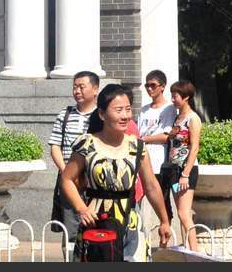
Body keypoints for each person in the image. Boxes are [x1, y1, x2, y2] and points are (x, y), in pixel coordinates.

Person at [59, 83, 171, 261]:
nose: (125, 115)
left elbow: (151, 187)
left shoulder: (137, 146)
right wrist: (81, 208)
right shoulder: (86, 144)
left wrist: (164, 221)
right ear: (102, 114)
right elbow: (66, 179)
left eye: (128, 109)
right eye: (119, 110)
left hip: (130, 223)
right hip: (96, 223)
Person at [47, 70, 99, 239]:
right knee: (71, 231)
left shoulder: (102, 116)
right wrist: (66, 172)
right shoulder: (65, 114)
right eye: (75, 87)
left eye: (81, 87)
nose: (77, 91)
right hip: (70, 182)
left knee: (95, 228)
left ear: (95, 89)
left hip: (95, 182)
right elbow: (55, 146)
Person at [132, 70, 177, 259]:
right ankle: (144, 244)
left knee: (162, 202)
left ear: (162, 87)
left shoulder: (168, 109)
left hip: (159, 163)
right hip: (141, 161)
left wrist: (145, 139)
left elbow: (167, 135)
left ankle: (164, 244)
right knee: (141, 204)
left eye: (153, 85)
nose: (149, 88)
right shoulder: (143, 110)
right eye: (147, 85)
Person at [161, 79, 202, 246]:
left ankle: (195, 249)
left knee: (184, 212)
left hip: (186, 171)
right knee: (180, 212)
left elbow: (194, 148)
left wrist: (185, 174)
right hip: (174, 170)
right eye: (171, 95)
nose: (172, 99)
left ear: (186, 97)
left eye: (175, 96)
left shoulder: (193, 118)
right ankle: (187, 247)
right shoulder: (178, 117)